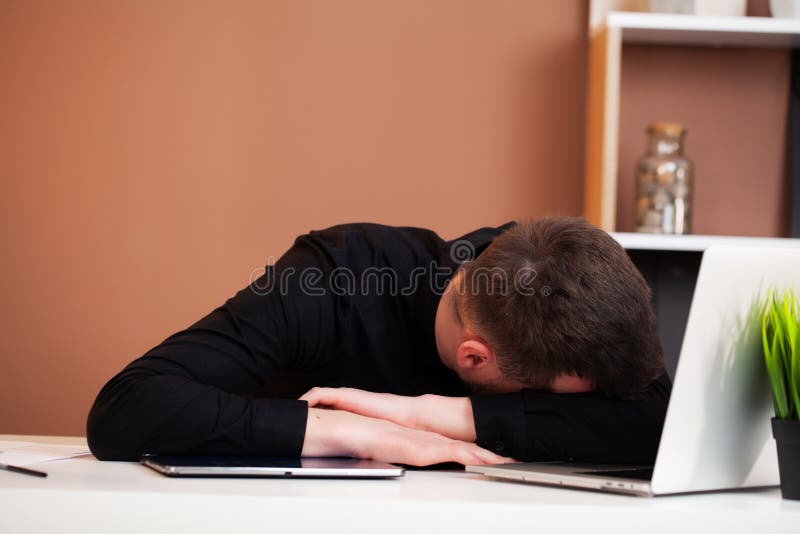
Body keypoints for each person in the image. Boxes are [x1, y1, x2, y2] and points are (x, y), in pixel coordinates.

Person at [87, 216, 671, 467]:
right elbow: (126, 406)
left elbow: (660, 416)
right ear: (476, 358)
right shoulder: (329, 279)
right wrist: (340, 430)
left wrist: (434, 415)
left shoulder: (549, 276)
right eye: (554, 395)